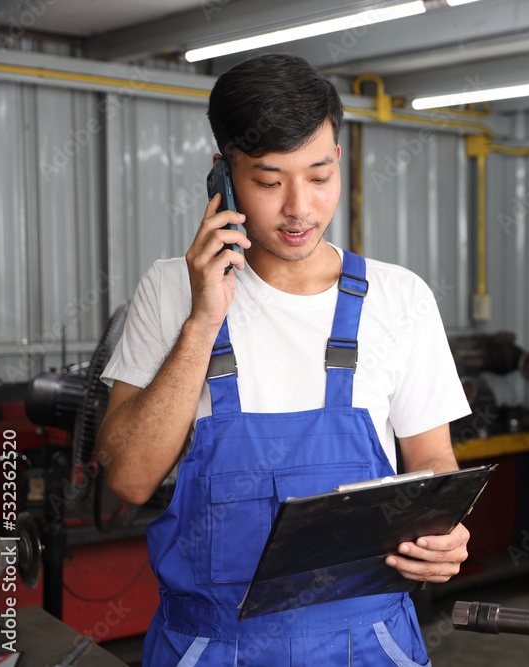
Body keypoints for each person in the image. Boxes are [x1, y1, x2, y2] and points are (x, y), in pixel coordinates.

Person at [97, 53, 472, 665]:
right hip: (212, 646)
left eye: (318, 176)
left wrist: (441, 532)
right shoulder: (170, 291)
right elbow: (129, 478)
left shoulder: (399, 296)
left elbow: (431, 459)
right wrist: (203, 320)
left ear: (339, 162)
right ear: (222, 177)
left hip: (367, 643)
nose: (299, 208)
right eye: (269, 182)